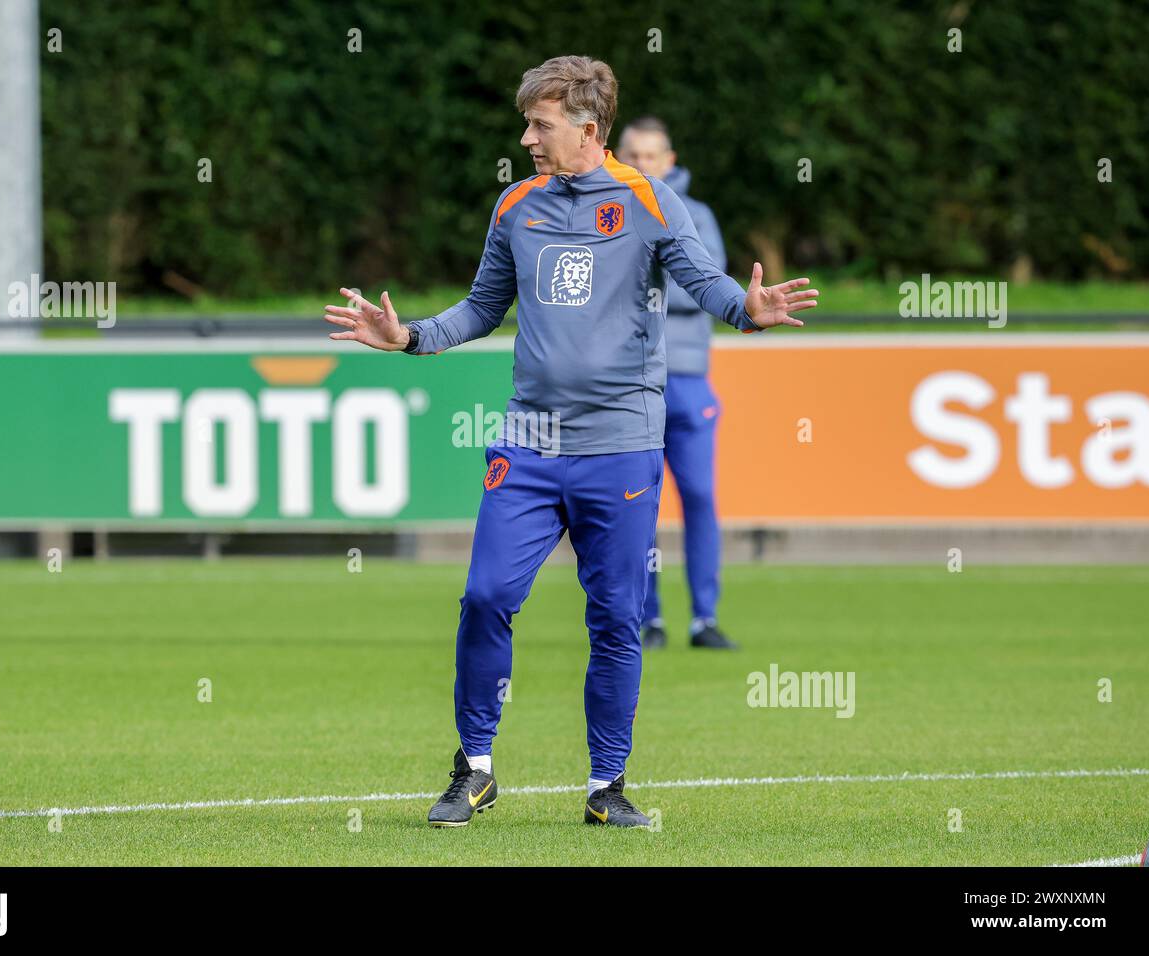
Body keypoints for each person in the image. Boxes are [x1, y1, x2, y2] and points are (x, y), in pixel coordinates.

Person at [323, 55, 817, 828]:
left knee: (616, 617)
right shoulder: (515, 206)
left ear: (587, 129)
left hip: (620, 445)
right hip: (527, 442)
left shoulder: (648, 200)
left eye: (539, 124)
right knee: (486, 595)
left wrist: (748, 310)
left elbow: (704, 279)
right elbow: (482, 308)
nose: (525, 137)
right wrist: (409, 335)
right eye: (526, 122)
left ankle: (606, 787)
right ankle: (475, 769)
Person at [617, 117, 736, 651]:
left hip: (686, 379)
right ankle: (650, 619)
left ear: (671, 160)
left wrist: (645, 286)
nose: (643, 165)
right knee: (638, 501)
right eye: (634, 155)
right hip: (634, 382)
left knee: (700, 497)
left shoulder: (698, 215)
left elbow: (708, 284)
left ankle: (703, 618)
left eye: (652, 156)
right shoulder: (609, 212)